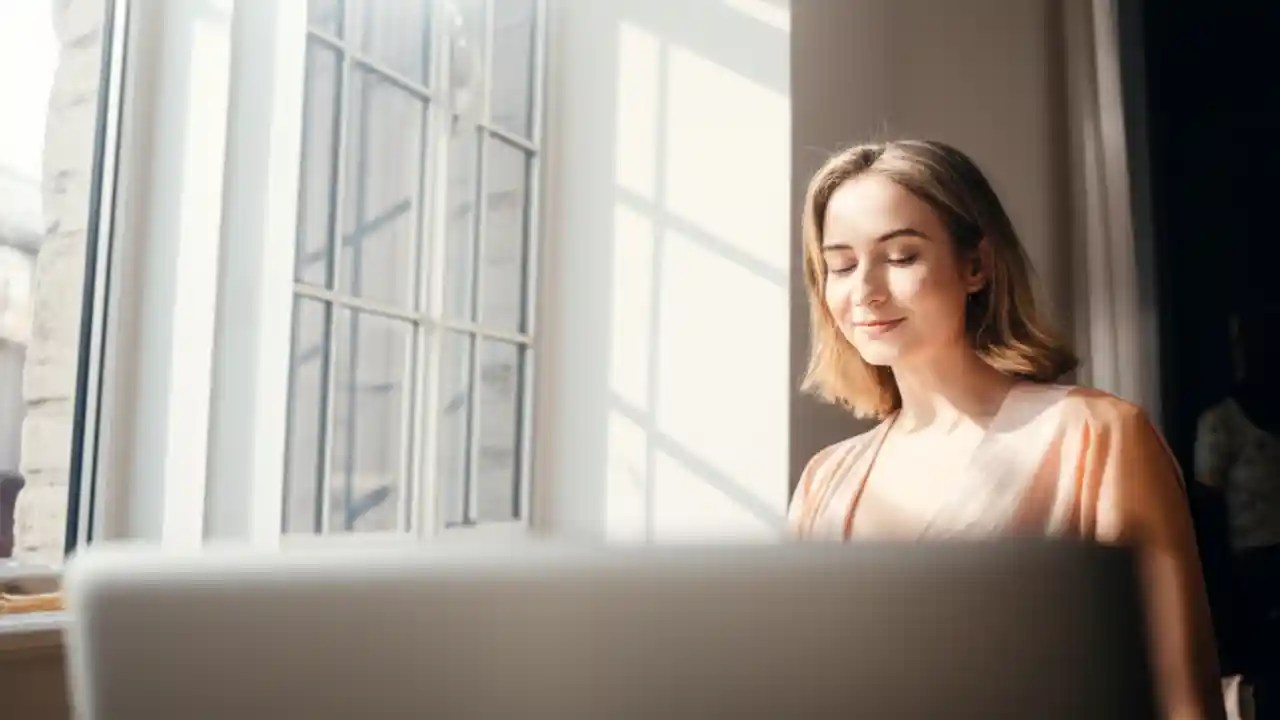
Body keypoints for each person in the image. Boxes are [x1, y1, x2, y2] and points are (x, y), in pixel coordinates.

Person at [789, 140, 1223, 719]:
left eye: (901, 257)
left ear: (976, 265)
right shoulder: (824, 482)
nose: (865, 291)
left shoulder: (1095, 437)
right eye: (841, 265)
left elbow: (1181, 702)